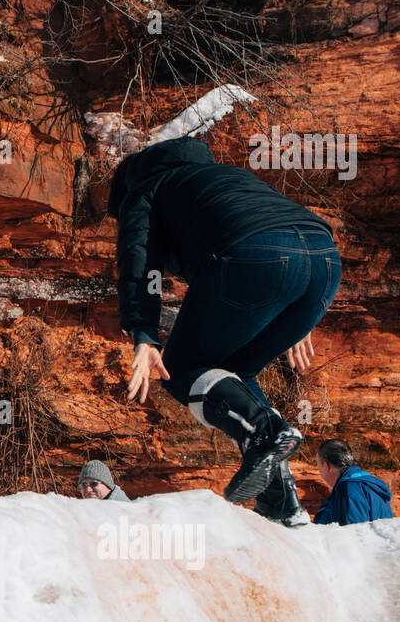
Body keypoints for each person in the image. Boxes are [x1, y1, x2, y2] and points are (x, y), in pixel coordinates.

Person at [110, 136, 340, 518]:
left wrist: (144, 332)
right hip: (323, 260)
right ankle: (281, 502)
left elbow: (140, 262)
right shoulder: (226, 176)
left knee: (181, 370)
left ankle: (265, 433)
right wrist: (298, 310)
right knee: (234, 374)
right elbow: (290, 232)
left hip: (255, 256)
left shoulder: (145, 190)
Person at [313, 439, 394, 526]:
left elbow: (354, 533)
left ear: (326, 466)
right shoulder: (370, 486)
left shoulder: (350, 489)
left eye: (319, 467)